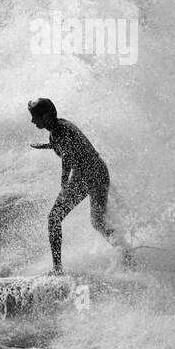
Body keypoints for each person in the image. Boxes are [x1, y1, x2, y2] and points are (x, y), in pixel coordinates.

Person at [27, 97, 125, 273]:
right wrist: (46, 146)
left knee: (54, 218)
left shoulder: (58, 131)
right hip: (99, 171)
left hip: (87, 174)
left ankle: (57, 269)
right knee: (98, 222)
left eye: (35, 116)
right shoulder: (60, 126)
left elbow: (67, 155)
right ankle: (123, 252)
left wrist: (64, 181)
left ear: (47, 115)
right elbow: (67, 145)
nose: (32, 121)